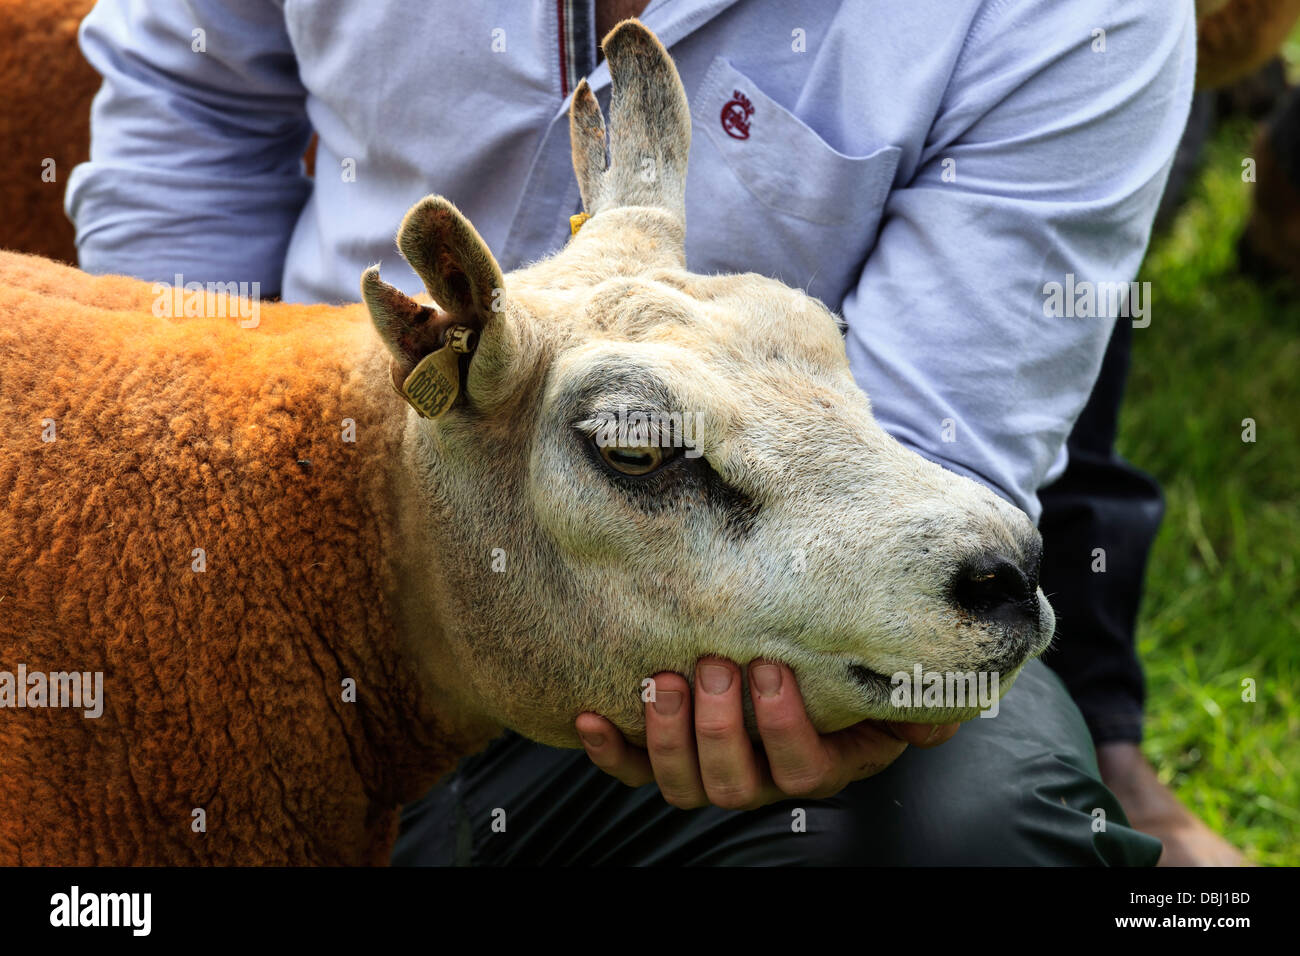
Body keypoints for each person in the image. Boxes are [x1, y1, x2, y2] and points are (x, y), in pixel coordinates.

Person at [67, 0, 1223, 864]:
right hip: (302, 534)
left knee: (978, 831)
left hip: (686, 628)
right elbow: (190, 94)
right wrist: (184, 482)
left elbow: (931, 466)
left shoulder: (1071, 16)